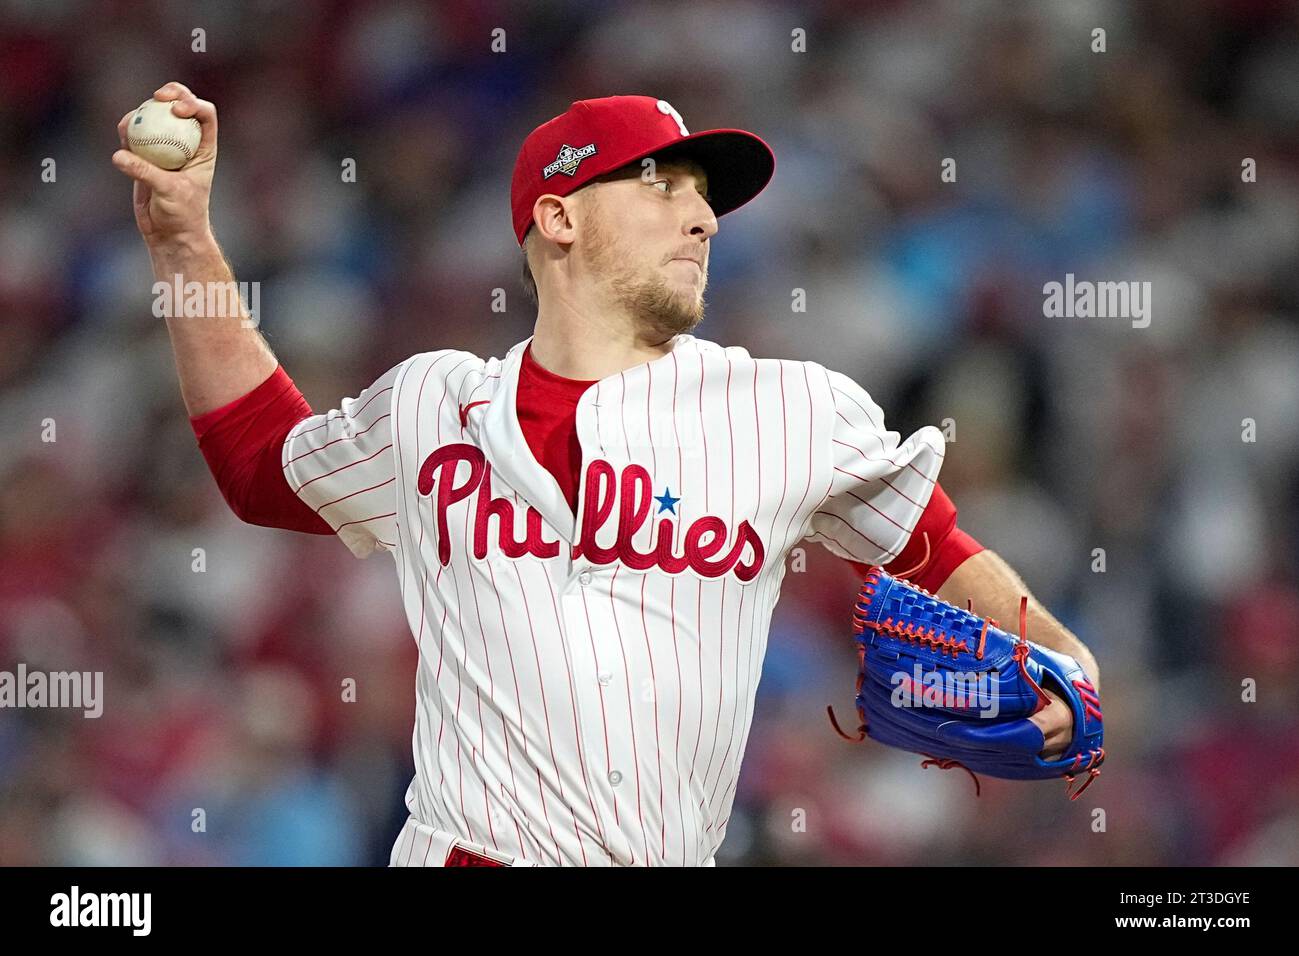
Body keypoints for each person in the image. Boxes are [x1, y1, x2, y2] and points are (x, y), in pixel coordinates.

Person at [114, 86, 1100, 867]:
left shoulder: (790, 410)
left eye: (705, 198)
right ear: (560, 217)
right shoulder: (430, 405)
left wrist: (1062, 652)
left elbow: (933, 546)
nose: (703, 218)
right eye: (662, 185)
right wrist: (185, 243)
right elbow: (257, 464)